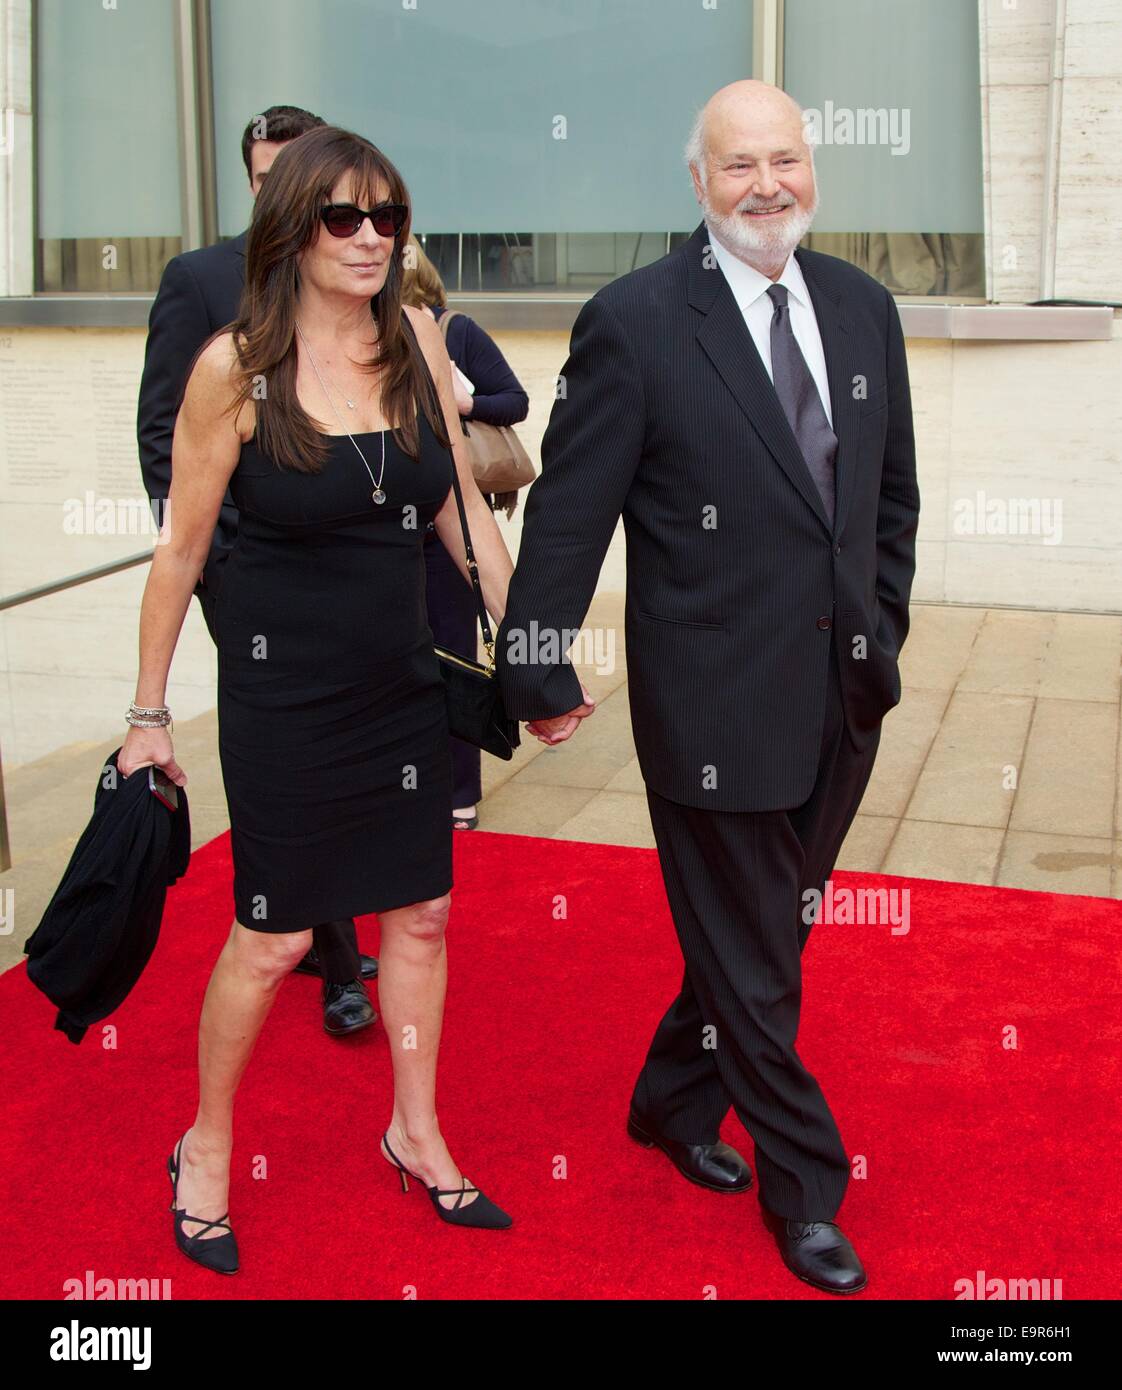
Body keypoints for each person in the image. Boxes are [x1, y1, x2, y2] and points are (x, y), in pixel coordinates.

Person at [495, 79, 919, 1295]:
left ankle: (669, 1097)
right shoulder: (634, 321)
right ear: (698, 181)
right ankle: (808, 1189)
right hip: (714, 709)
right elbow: (571, 519)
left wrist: (881, 624)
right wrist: (537, 663)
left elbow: (890, 497)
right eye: (738, 165)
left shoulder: (861, 306)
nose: (765, 184)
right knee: (763, 959)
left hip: (845, 695)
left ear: (812, 168)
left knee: (757, 933)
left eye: (784, 158)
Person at [120, 125, 520, 1273]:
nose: (369, 238)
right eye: (342, 217)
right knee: (275, 933)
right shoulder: (233, 370)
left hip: (400, 683)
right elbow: (178, 551)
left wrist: (533, 650)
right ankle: (204, 1147)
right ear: (292, 229)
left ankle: (416, 1129)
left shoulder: (416, 346)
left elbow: (462, 518)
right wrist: (149, 715)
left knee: (424, 915)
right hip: (284, 696)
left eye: (387, 217)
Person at [137, 105, 380, 1037]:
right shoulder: (200, 280)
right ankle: (327, 954)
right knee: (289, 769)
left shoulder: (368, 292)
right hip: (253, 583)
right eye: (269, 176)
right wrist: (225, 564)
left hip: (359, 588)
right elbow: (166, 436)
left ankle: (341, 931)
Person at [401, 237, 530, 831]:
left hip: (443, 529)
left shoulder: (454, 330)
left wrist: (465, 399)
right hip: (390, 536)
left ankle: (457, 793)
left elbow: (516, 400)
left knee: (455, 655)